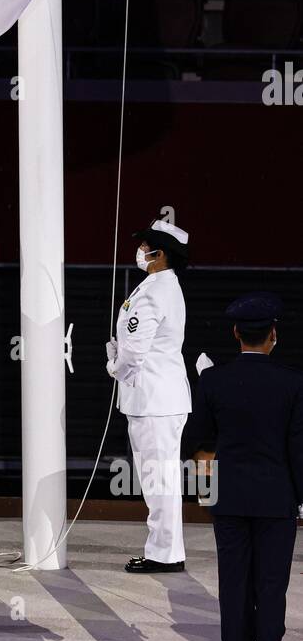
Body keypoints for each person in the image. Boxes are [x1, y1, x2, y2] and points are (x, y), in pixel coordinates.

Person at [189, 294, 303, 641]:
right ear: (273, 335)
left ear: (236, 333)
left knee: (234, 582)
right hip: (277, 501)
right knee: (272, 585)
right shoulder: (292, 383)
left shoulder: (214, 380)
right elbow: (297, 449)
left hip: (230, 500)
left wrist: (209, 486)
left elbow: (196, 441)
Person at [106, 218, 191, 573]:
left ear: (160, 254)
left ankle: (164, 554)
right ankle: (164, 550)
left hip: (154, 399)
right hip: (158, 398)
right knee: (160, 479)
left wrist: (114, 367)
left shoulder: (155, 292)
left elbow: (135, 352)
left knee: (159, 481)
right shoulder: (158, 286)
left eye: (145, 246)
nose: (140, 250)